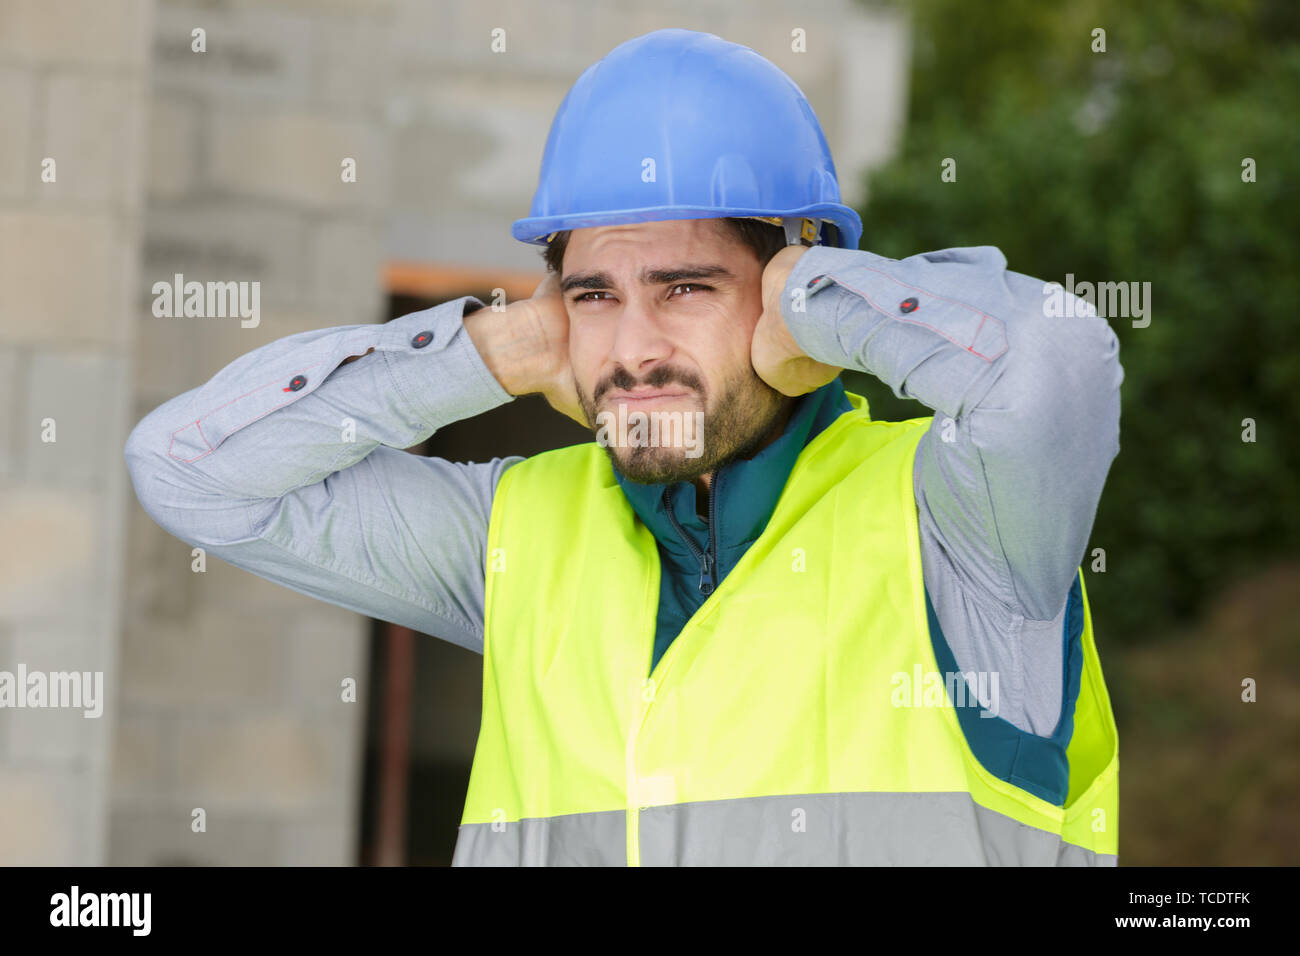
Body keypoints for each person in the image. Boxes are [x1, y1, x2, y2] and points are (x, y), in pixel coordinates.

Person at [125, 29, 1123, 866]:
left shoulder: (957, 527)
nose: (634, 348)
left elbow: (1051, 366)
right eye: (595, 295)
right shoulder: (510, 534)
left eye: (686, 287)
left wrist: (811, 300)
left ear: (791, 272)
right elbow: (190, 469)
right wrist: (494, 347)